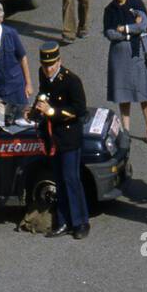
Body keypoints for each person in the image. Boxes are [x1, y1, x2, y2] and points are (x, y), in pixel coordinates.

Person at [32, 42, 91, 240]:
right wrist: (35, 111)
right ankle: (64, 220)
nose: (48, 69)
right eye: (45, 65)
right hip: (52, 137)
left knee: (71, 180)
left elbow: (79, 110)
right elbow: (43, 94)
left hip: (68, 137)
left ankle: (81, 222)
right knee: (59, 180)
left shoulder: (71, 81)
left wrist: (53, 112)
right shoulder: (43, 75)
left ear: (60, 61)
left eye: (52, 64)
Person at [102, 0, 147, 144]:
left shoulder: (136, 4)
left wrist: (125, 29)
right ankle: (126, 131)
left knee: (144, 93)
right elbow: (110, 33)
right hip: (119, 57)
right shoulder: (109, 10)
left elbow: (144, 26)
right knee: (123, 94)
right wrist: (132, 31)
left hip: (139, 54)